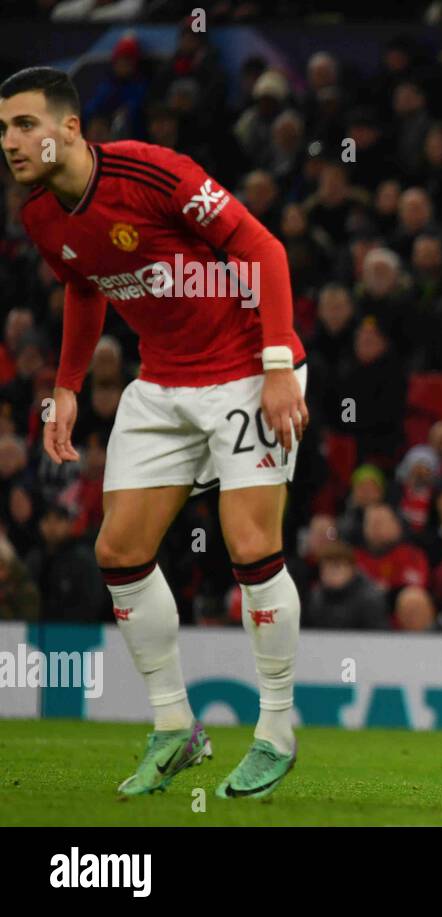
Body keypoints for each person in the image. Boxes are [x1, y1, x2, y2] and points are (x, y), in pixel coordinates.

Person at [2, 67, 309, 799]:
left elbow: (264, 249)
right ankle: (176, 726)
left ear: (70, 128)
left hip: (245, 368)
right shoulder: (41, 216)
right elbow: (84, 284)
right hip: (164, 382)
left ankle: (276, 729)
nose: (9, 141)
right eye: (2, 128)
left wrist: (276, 367)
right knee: (119, 550)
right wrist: (68, 386)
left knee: (250, 545)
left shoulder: (152, 171)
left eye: (23, 124)